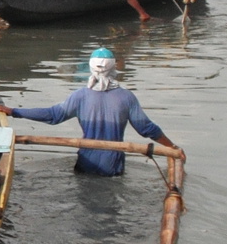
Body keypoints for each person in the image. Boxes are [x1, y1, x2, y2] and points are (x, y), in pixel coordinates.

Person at [10, 48, 176, 175]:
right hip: (113, 166)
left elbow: (52, 115)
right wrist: (172, 147)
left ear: (90, 68)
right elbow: (146, 129)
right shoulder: (127, 98)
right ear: (114, 67)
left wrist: (13, 111)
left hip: (86, 163)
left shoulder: (80, 96)